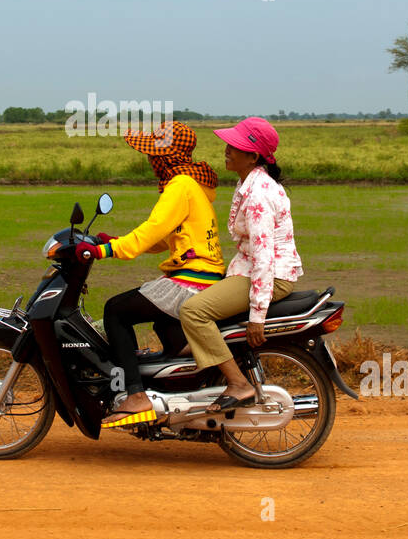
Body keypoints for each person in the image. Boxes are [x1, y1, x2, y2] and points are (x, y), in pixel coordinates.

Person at [75, 121, 224, 427]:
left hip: (192, 280)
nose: (149, 160)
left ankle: (135, 395)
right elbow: (160, 240)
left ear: (165, 156)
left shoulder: (180, 186)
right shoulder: (190, 184)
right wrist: (114, 241)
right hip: (201, 275)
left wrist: (104, 251)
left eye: (152, 154)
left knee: (116, 310)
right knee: (161, 321)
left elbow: (152, 229)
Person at [178, 117, 303, 412]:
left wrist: (257, 315)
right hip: (251, 269)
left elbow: (263, 256)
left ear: (253, 156)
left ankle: (238, 384)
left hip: (269, 275)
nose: (226, 149)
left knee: (193, 312)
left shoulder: (258, 194)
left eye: (235, 146)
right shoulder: (250, 183)